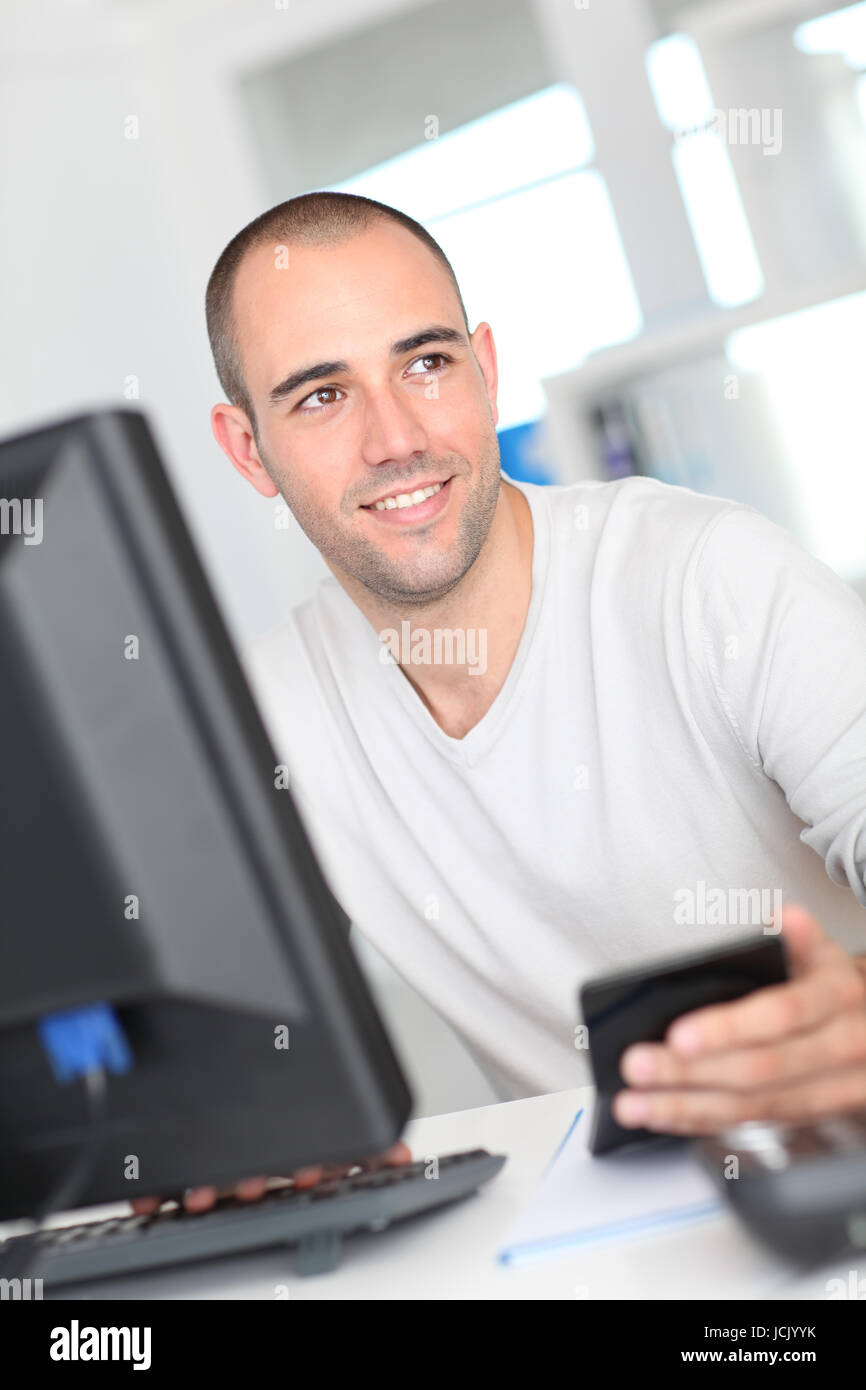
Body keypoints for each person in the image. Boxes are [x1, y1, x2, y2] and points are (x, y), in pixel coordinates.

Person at [137, 190, 866, 1211]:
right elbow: (199, 1049)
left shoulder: (709, 578)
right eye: (320, 395)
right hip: (590, 1247)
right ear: (247, 448)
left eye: (425, 364)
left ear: (483, 370)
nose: (394, 439)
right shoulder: (259, 719)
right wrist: (243, 1126)